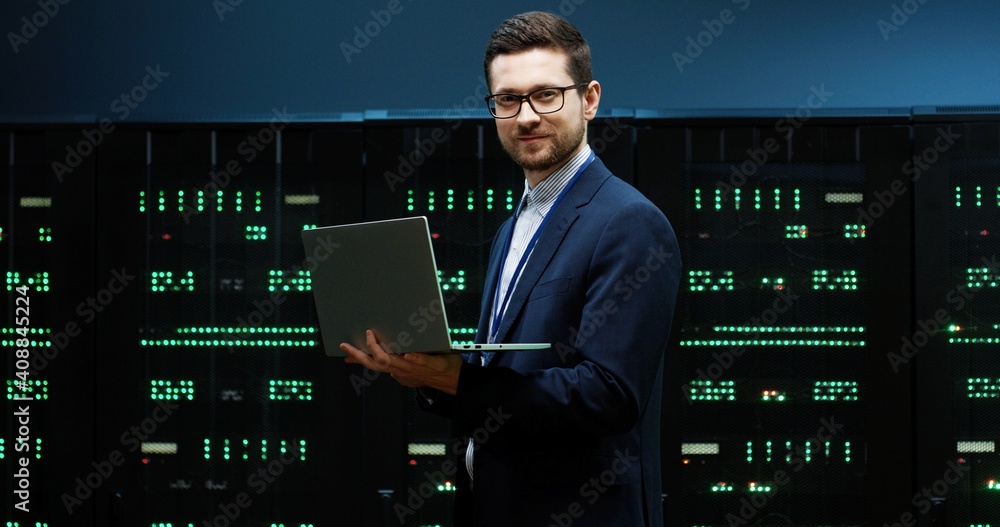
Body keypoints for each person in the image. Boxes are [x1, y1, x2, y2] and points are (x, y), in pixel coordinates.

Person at [341, 11, 680, 527]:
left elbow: (607, 395)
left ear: (589, 99)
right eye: (508, 100)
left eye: (547, 95)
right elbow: (507, 378)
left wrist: (460, 381)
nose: (526, 116)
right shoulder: (513, 228)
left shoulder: (629, 223)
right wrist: (429, 375)